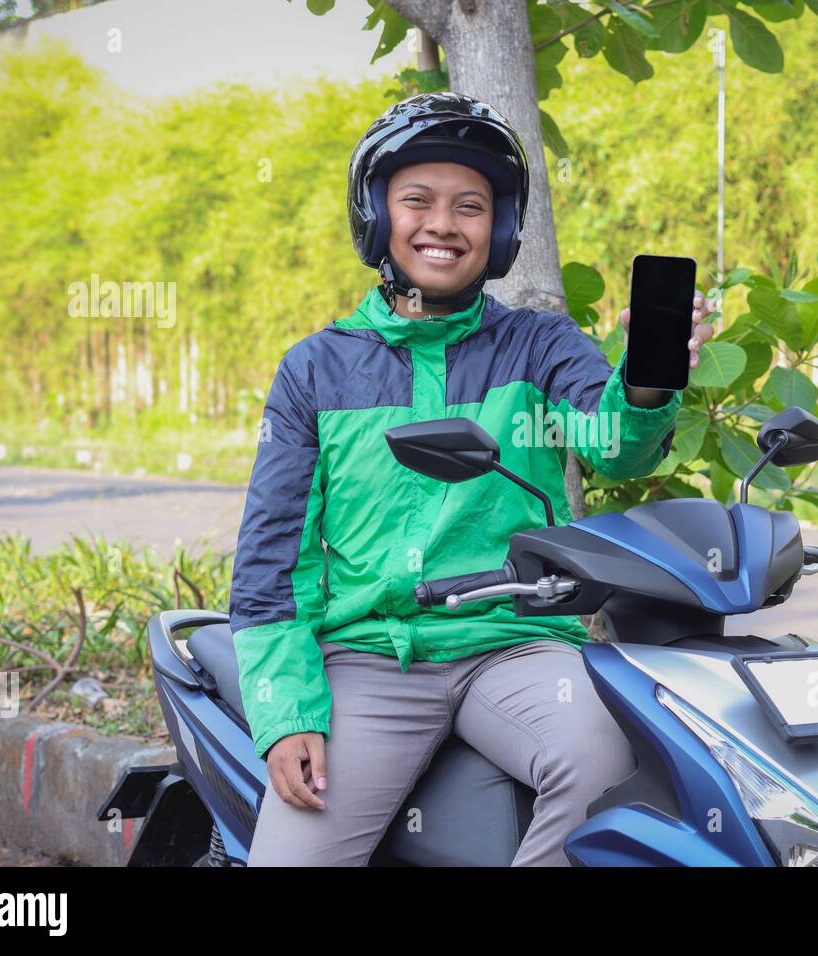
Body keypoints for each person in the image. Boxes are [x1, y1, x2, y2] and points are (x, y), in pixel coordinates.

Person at [229, 91, 715, 866]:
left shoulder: (539, 345)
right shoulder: (315, 369)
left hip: (517, 645)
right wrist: (288, 713)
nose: (444, 224)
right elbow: (274, 563)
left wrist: (649, 386)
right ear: (377, 216)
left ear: (503, 229)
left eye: (472, 206)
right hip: (371, 655)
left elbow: (613, 444)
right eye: (417, 200)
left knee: (609, 762)